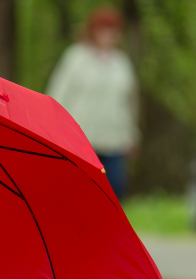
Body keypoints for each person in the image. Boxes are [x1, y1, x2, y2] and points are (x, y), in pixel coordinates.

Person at [46, 5, 139, 200]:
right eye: (104, 30)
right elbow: (57, 96)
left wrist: (131, 136)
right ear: (93, 31)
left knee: (115, 189)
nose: (109, 36)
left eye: (113, 31)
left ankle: (110, 231)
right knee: (83, 193)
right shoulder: (75, 58)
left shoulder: (122, 63)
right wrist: (54, 131)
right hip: (82, 139)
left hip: (114, 139)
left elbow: (130, 103)